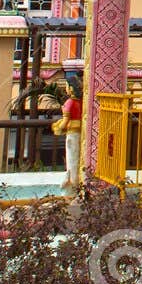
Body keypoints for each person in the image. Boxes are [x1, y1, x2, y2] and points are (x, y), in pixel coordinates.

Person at [52, 61, 83, 195]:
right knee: (77, 159)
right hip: (80, 131)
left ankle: (72, 186)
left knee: (72, 160)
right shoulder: (80, 102)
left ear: (70, 88)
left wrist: (57, 128)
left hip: (72, 134)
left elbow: (65, 122)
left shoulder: (69, 103)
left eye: (66, 86)